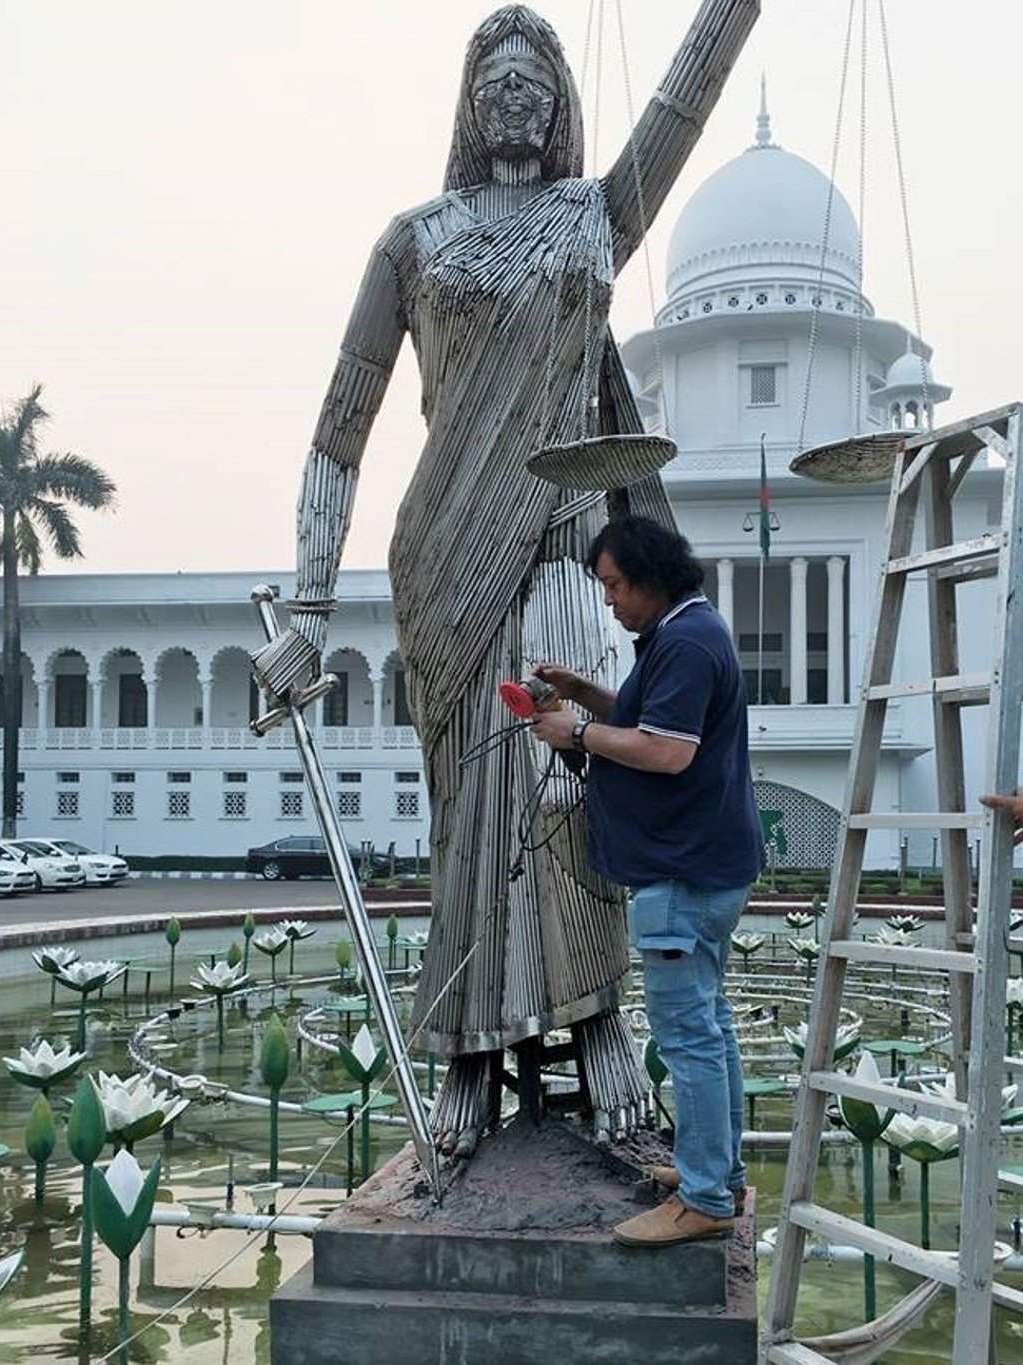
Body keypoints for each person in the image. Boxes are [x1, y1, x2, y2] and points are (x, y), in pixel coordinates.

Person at [250, 3, 760, 1152]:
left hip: (565, 528)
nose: (516, 93)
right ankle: (473, 1052)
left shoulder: (595, 217)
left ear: (562, 101)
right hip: (446, 551)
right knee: (470, 810)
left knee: (566, 781)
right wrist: (310, 606)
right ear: (468, 106)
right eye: (497, 78)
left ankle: (594, 1027)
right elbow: (341, 427)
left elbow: (681, 107)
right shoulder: (412, 239)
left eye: (537, 76)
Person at [531, 515, 765, 1245]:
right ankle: (715, 1171)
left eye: (614, 584)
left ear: (650, 576)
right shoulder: (684, 633)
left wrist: (573, 732)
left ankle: (703, 1199)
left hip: (681, 868)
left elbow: (664, 751)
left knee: (688, 1035)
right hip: (700, 863)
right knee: (711, 1026)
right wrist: (588, 695)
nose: (608, 600)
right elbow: (644, 718)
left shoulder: (689, 642)